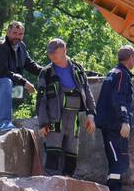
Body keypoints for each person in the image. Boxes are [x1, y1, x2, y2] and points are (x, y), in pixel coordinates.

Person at [34, 38, 95, 177]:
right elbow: (41, 100)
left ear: (64, 50)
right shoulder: (47, 72)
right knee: (53, 153)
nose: (52, 55)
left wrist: (91, 115)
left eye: (55, 52)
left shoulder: (77, 68)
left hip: (74, 118)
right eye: (50, 53)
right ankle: (51, 185)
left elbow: (87, 92)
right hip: (54, 117)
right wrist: (43, 123)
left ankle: (68, 184)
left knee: (72, 154)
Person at [0, 21, 41, 137]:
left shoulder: (21, 47)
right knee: (6, 82)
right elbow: (2, 72)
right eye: (15, 33)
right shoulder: (1, 46)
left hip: (2, 85)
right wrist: (24, 82)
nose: (17, 36)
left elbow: (30, 65)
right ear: (8, 32)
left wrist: (48, 72)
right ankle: (5, 123)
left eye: (20, 34)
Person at [95, 46, 134, 191]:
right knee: (118, 163)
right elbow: (118, 98)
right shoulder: (121, 75)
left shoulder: (114, 73)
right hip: (114, 127)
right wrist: (124, 121)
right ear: (131, 57)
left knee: (118, 162)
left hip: (110, 125)